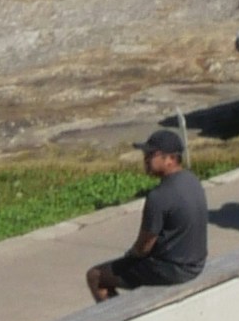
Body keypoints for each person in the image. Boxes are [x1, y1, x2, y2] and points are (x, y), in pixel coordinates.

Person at [84, 119, 214, 304]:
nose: (145, 159)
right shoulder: (192, 180)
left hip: (171, 270)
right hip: (196, 264)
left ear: (170, 159)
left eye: (151, 154)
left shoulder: (159, 196)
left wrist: (129, 257)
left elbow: (144, 246)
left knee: (96, 276)